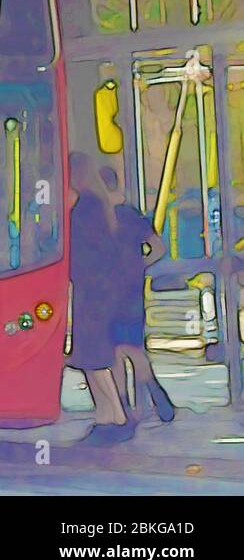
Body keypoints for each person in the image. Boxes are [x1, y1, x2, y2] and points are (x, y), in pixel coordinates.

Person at [101, 165, 176, 424]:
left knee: (114, 352)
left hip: (107, 291)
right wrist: (140, 265)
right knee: (133, 347)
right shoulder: (131, 215)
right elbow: (159, 248)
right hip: (132, 290)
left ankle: (123, 404)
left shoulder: (99, 218)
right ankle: (154, 389)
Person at [67, 152, 133, 441]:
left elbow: (84, 251)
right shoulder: (98, 204)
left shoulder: (86, 207)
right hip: (99, 291)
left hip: (92, 292)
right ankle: (105, 417)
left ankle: (116, 417)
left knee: (92, 358)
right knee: (90, 357)